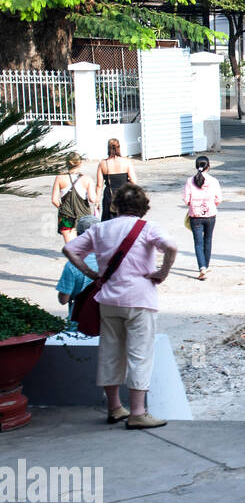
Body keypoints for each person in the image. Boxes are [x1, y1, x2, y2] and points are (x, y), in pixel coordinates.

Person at [63, 183, 178, 429]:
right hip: (140, 299)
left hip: (108, 299)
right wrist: (162, 272)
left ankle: (115, 407)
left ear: (115, 206)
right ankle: (138, 412)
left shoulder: (101, 228)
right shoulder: (148, 228)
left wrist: (91, 273)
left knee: (110, 352)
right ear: (143, 206)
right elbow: (171, 246)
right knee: (140, 355)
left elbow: (69, 248)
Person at [56, 215, 100, 327]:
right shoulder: (109, 259)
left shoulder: (71, 265)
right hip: (105, 320)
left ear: (78, 235)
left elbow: (63, 299)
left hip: (78, 320)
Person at [183, 155, 222, 280]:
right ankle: (206, 265)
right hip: (211, 214)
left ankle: (202, 268)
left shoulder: (190, 181)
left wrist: (194, 205)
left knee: (198, 243)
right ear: (208, 166)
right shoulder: (214, 181)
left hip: (195, 215)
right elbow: (218, 199)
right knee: (208, 240)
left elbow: (186, 199)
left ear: (196, 166)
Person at [51, 153, 95, 243]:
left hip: (66, 216)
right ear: (80, 163)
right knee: (84, 247)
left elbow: (54, 200)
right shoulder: (87, 179)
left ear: (67, 163)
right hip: (84, 216)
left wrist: (63, 208)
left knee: (71, 247)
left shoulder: (59, 178)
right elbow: (92, 199)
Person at [95, 139, 137, 222]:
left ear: (108, 148)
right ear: (119, 147)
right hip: (124, 194)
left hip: (109, 196)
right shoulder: (127, 162)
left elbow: (99, 185)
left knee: (109, 222)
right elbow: (133, 181)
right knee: (125, 220)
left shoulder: (103, 164)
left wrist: (97, 202)